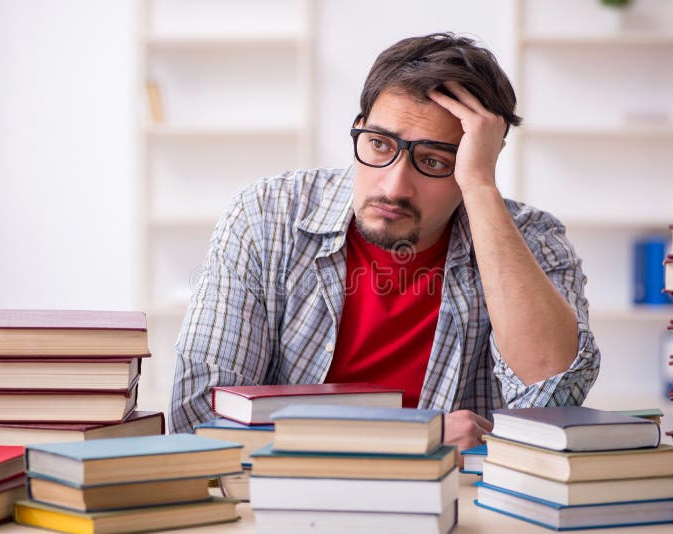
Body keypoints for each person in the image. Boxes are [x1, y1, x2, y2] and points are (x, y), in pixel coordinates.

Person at [169, 33, 600, 454]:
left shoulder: (533, 239)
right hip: (290, 493)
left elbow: (553, 399)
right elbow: (199, 416)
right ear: (358, 130)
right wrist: (410, 436)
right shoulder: (267, 215)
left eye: (434, 161)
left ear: (479, 158)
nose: (394, 187)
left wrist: (481, 187)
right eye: (379, 144)